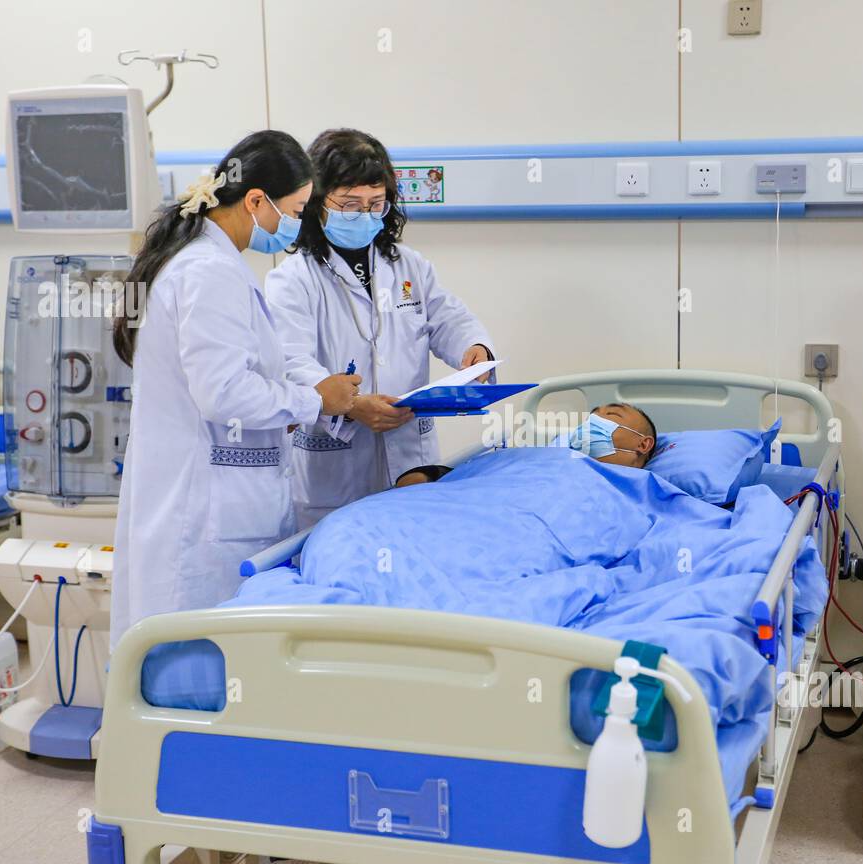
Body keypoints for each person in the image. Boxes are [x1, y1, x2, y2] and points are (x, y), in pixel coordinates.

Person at [110, 130, 361, 647]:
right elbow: (223, 393)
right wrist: (315, 400)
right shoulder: (208, 272)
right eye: (294, 210)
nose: (294, 225)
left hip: (205, 500)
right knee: (202, 662)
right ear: (254, 201)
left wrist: (302, 395)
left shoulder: (206, 262)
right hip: (205, 516)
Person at [266, 128, 496, 525]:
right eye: (350, 205)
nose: (364, 216)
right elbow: (290, 363)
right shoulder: (294, 280)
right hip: (334, 470)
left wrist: (474, 349)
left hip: (410, 459)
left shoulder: (408, 267)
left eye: (376, 204)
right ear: (318, 202)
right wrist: (352, 407)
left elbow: (448, 318)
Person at [392, 403, 658, 487]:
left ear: (643, 444)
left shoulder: (646, 490)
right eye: (591, 417)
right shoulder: (547, 457)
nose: (594, 421)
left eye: (611, 415)